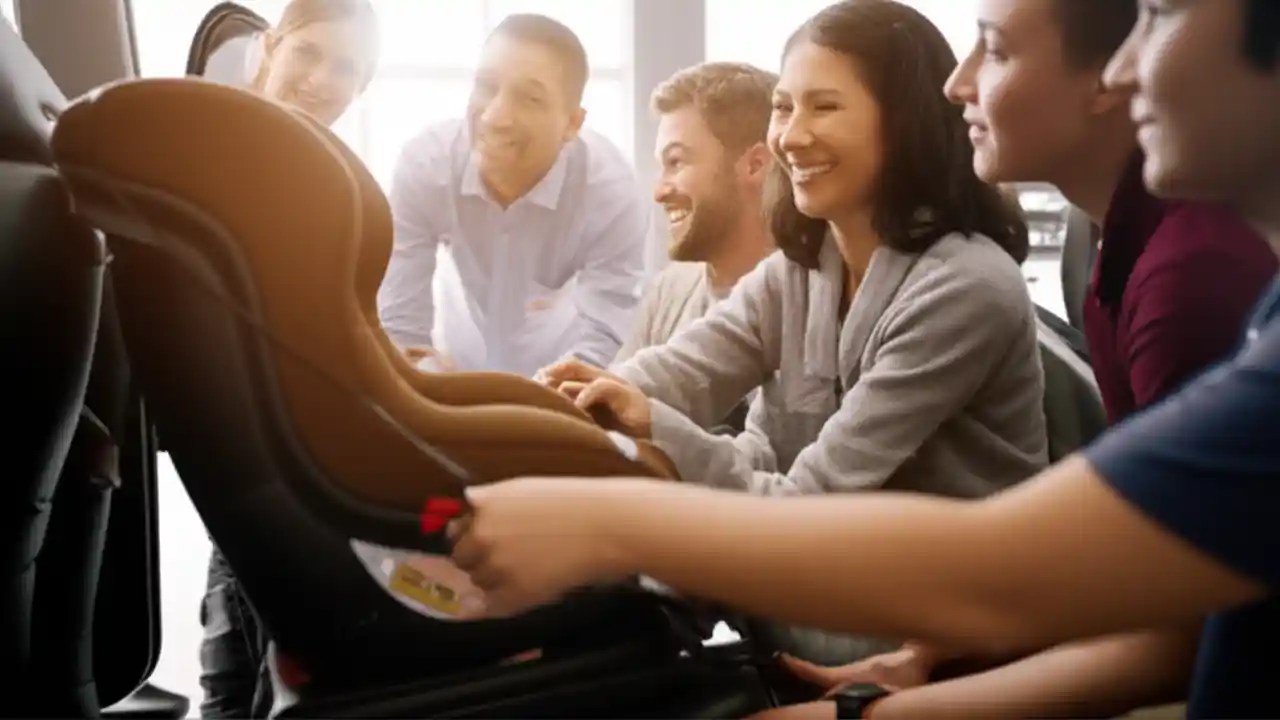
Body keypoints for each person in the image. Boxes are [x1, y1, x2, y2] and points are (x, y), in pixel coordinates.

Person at [447, 0, 1280, 718]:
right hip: (892, 636)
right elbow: (665, 379)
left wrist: (612, 514)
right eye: (784, 107)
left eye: (1160, 16)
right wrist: (489, 410)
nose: (1126, 66)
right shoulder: (1130, 258)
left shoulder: (1173, 277)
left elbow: (1007, 573)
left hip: (930, 635)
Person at [761, 0, 1278, 717]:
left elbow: (1176, 622)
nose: (957, 85)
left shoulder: (1190, 271)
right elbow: (1136, 564)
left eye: (996, 50)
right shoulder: (1110, 245)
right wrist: (950, 652)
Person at [538, 0, 1046, 666]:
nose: (791, 136)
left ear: (904, 123)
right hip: (817, 596)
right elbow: (679, 372)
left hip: (928, 635)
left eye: (824, 107)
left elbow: (808, 508)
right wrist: (553, 404)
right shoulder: (800, 270)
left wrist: (647, 422)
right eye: (784, 108)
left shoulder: (964, 287)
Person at [196, 1, 379, 717]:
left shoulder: (326, 176)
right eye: (310, 53)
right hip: (268, 460)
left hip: (277, 462)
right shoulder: (228, 155)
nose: (322, 80)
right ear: (270, 46)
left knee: (235, 685)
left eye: (347, 69)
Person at [377, 14, 650, 377]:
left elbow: (604, 334)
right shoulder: (426, 167)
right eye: (486, 85)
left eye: (530, 99)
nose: (494, 116)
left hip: (561, 378)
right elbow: (401, 326)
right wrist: (431, 380)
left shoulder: (611, 192)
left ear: (572, 124)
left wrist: (542, 405)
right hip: (454, 367)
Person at [614, 61, 776, 365]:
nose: (659, 192)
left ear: (755, 165)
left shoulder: (811, 299)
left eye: (676, 162)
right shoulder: (670, 291)